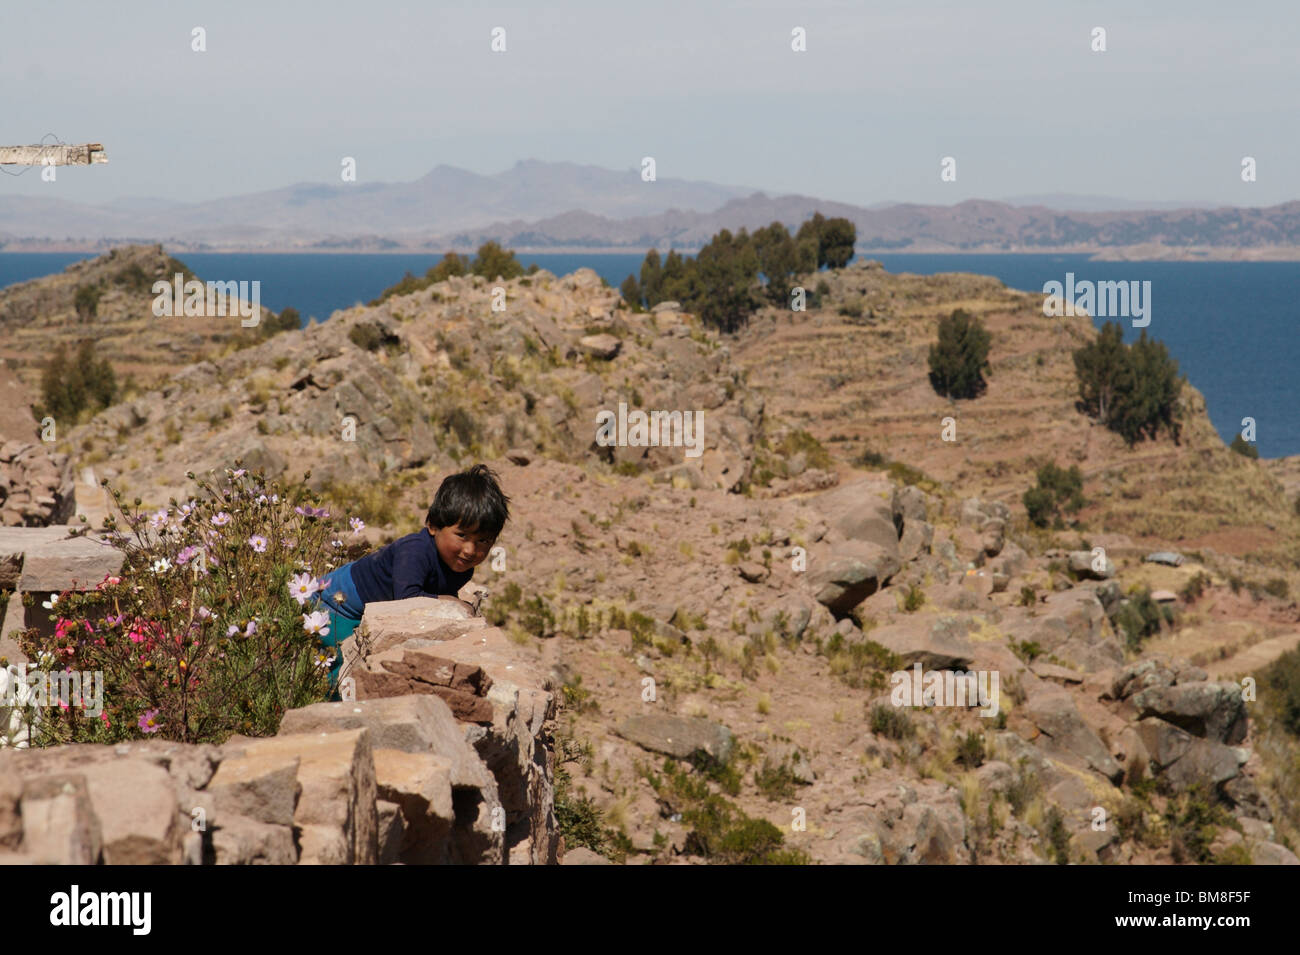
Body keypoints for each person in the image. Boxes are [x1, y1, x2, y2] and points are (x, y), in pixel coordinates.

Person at [312, 463, 509, 696]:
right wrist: (448, 602)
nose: (469, 550)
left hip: (363, 609)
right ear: (433, 525)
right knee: (340, 668)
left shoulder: (462, 565)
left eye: (483, 541)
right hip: (336, 604)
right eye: (462, 535)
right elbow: (407, 599)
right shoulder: (414, 552)